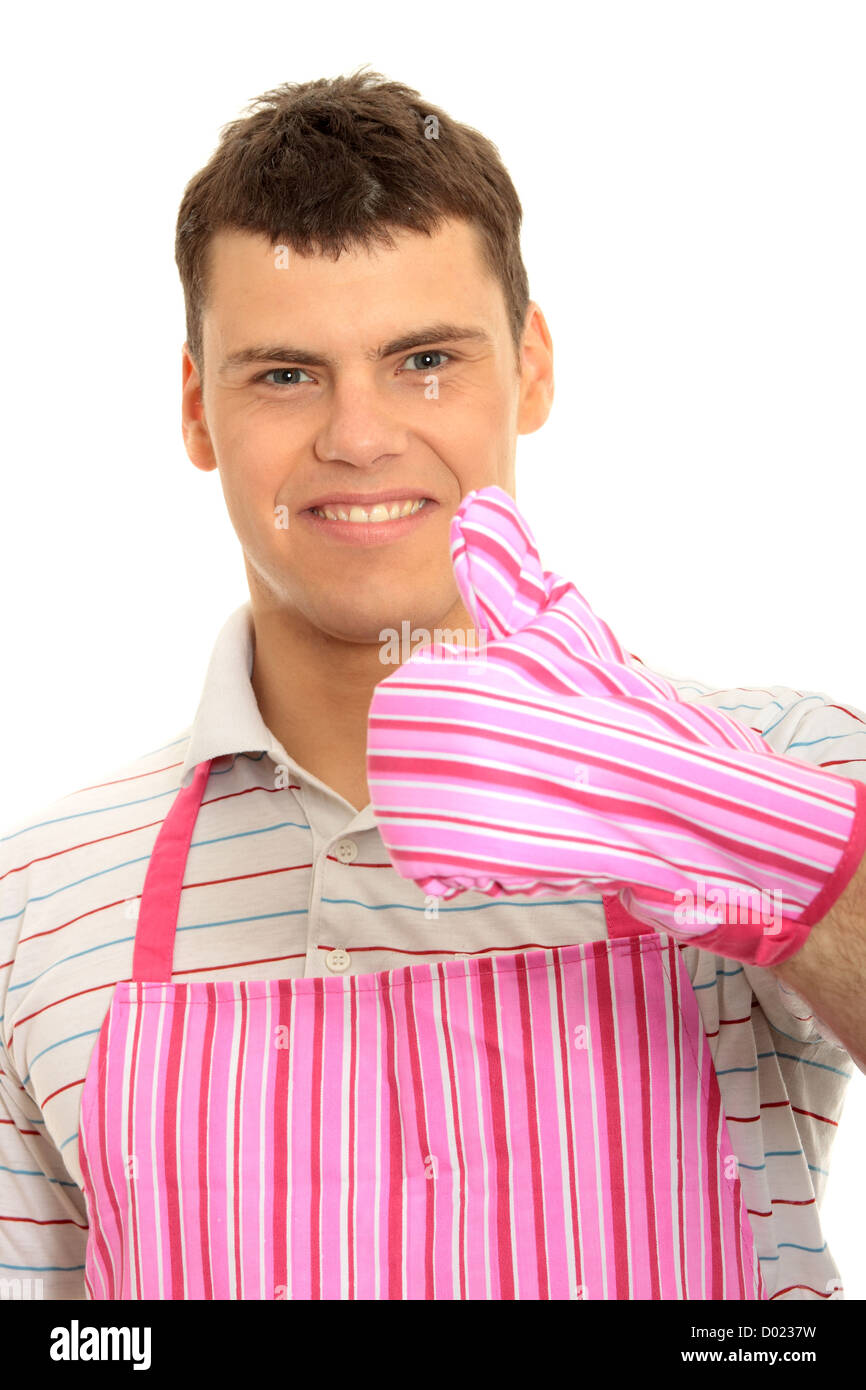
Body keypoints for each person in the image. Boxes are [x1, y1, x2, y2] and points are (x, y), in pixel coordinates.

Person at [1, 68, 865, 1302]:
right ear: (197, 409)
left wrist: (729, 824)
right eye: (285, 373)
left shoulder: (789, 762)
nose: (358, 437)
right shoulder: (34, 906)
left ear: (530, 368)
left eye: (422, 359)